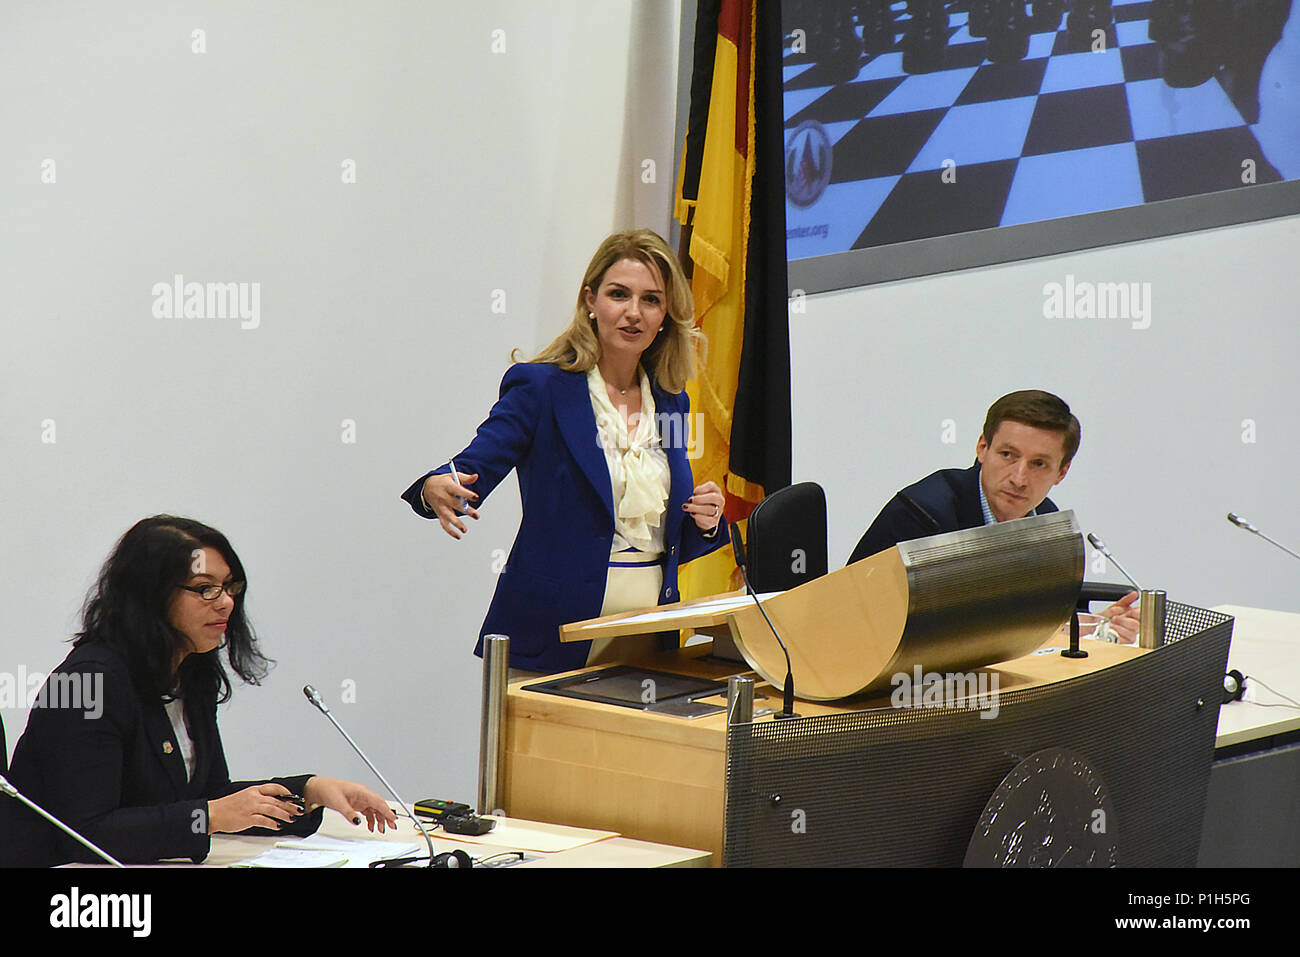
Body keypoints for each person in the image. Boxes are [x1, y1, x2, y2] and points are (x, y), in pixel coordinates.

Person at [402, 228, 730, 674]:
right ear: (590, 301)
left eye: (651, 300)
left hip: (648, 636)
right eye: (619, 294)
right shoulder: (541, 387)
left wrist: (706, 522)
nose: (634, 312)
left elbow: (664, 532)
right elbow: (474, 464)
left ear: (665, 314)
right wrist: (434, 487)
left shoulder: (672, 399)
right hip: (554, 635)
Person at [3, 516, 396, 866]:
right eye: (205, 589)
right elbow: (85, 834)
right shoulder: (87, 685)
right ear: (149, 595)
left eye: (229, 587)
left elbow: (208, 795)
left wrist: (309, 791)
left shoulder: (191, 671)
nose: (225, 602)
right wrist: (209, 816)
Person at [847, 390, 1140, 641]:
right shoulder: (925, 515)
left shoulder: (1047, 522)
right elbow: (865, 623)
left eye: (1039, 464)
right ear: (982, 448)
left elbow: (1049, 618)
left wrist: (1095, 626)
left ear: (1061, 472)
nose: (1019, 478)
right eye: (1008, 455)